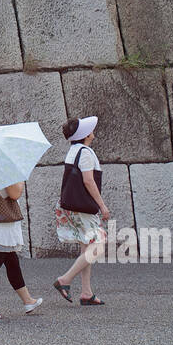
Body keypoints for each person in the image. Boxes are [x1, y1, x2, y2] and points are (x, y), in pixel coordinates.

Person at [53, 116, 110, 306]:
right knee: (99, 245)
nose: (93, 133)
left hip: (72, 205)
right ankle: (65, 280)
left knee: (87, 247)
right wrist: (102, 205)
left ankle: (86, 292)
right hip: (84, 206)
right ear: (86, 135)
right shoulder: (85, 153)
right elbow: (88, 180)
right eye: (91, 131)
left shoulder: (73, 150)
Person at [0, 181, 43, 319]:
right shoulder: (3, 171)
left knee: (12, 262)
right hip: (0, 226)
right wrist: (20, 180)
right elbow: (15, 194)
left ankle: (28, 301)